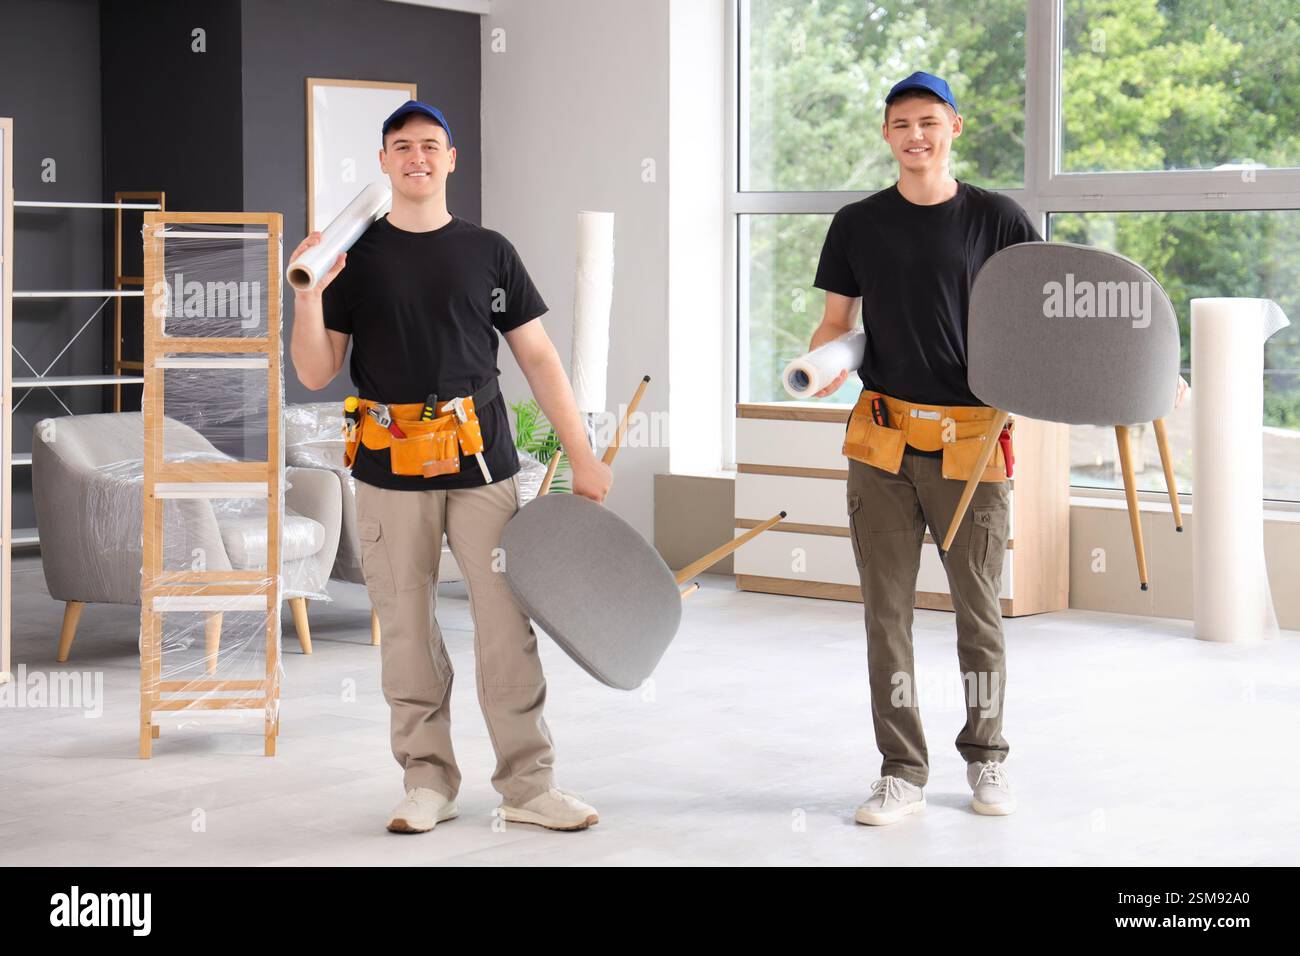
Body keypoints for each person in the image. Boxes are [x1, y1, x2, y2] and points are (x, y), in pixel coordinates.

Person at [290, 100, 612, 834]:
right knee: (405, 627)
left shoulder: (489, 251)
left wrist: (583, 456)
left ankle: (528, 787)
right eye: (402, 146)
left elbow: (538, 357)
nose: (417, 157)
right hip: (386, 466)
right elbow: (316, 371)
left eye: (431, 145)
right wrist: (304, 294)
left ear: (451, 158)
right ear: (383, 161)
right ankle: (427, 782)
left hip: (482, 465)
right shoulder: (352, 258)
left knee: (506, 626)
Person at [807, 72, 1042, 825]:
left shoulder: (999, 220)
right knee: (887, 614)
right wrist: (821, 362)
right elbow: (837, 320)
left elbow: (1040, 319)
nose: (916, 135)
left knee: (979, 613)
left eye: (929, 122)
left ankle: (988, 759)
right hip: (881, 440)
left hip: (973, 443)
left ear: (955, 129)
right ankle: (901, 770)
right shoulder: (857, 224)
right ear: (886, 135)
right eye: (902, 123)